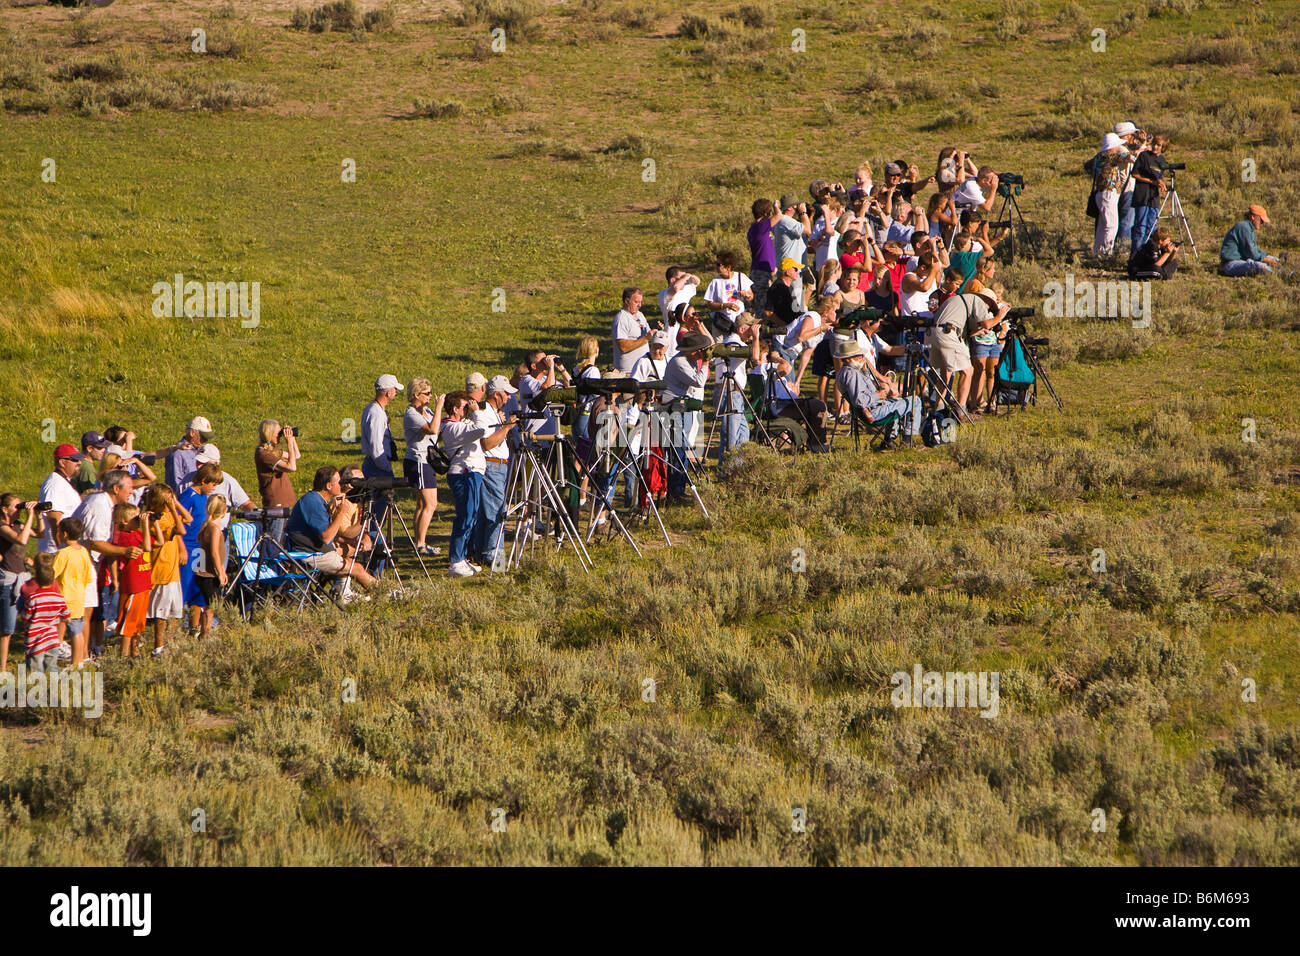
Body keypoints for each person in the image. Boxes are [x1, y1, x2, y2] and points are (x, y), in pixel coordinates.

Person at [441, 391, 515, 577]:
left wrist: (498, 420)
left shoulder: (460, 425)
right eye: (465, 406)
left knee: (472, 516)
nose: (468, 409)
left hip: (471, 472)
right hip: (464, 474)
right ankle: (455, 560)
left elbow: (480, 426)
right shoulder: (452, 428)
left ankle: (462, 558)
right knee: (465, 518)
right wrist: (476, 411)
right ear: (455, 409)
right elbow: (482, 430)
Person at [71, 469, 141, 657]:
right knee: (85, 612)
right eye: (129, 488)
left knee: (89, 610)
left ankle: (85, 653)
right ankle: (82, 656)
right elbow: (95, 542)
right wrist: (124, 551)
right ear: (116, 488)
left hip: (90, 563)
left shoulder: (105, 504)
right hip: (82, 563)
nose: (132, 491)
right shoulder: (100, 505)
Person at [285, 465, 379, 598]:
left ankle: (343, 591)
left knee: (351, 549)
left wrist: (351, 541)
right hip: (309, 554)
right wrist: (341, 513)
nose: (342, 485)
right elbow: (326, 538)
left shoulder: (317, 500)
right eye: (339, 482)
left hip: (314, 548)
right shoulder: (313, 502)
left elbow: (328, 535)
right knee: (357, 568)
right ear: (329, 486)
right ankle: (383, 592)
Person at [835, 340, 923, 449]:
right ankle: (907, 439)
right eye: (858, 356)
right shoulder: (852, 374)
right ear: (848, 359)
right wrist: (878, 394)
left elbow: (862, 389)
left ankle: (889, 440)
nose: (862, 357)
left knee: (898, 401)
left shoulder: (845, 371)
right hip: (875, 412)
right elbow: (859, 401)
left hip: (872, 409)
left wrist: (866, 370)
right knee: (916, 401)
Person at [473, 376, 518, 570]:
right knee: (497, 512)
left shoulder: (491, 412)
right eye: (506, 394)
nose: (509, 398)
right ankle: (495, 558)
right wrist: (508, 427)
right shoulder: (483, 413)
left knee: (486, 512)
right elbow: (487, 443)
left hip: (497, 465)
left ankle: (483, 552)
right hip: (492, 465)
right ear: (496, 394)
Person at [663, 332, 712, 501]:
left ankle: (679, 489)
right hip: (673, 409)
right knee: (679, 449)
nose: (701, 353)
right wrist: (705, 362)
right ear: (691, 350)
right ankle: (675, 491)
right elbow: (699, 381)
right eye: (699, 350)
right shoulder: (679, 362)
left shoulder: (689, 360)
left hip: (682, 407)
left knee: (683, 448)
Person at [361, 374, 402, 576]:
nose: (395, 393)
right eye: (394, 390)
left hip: (372, 465)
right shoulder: (377, 414)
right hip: (377, 468)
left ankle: (375, 563)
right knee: (377, 517)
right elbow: (377, 447)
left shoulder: (371, 410)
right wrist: (386, 469)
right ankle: (375, 567)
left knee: (375, 517)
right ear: (388, 392)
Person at [141, 483, 187, 658]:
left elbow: (187, 519)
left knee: (174, 610)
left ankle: (170, 642)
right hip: (161, 569)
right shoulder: (156, 520)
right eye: (167, 500)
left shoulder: (167, 515)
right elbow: (181, 530)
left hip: (172, 570)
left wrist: (174, 507)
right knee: (161, 612)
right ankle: (158, 647)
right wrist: (173, 509)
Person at [402, 378, 445, 558]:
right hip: (419, 461)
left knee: (422, 504)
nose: (430, 396)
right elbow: (433, 429)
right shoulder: (411, 414)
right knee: (430, 504)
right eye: (426, 393)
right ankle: (420, 544)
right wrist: (438, 408)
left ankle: (419, 541)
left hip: (426, 460)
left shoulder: (424, 410)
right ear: (416, 395)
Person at [711, 313, 762, 464]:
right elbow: (756, 359)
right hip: (730, 392)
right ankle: (727, 469)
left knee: (743, 432)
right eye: (750, 329)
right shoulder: (734, 343)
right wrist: (757, 338)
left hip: (733, 392)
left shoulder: (734, 341)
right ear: (742, 329)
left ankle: (737, 467)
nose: (752, 332)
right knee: (731, 436)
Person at [178, 463, 221, 633]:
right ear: (204, 480)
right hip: (187, 547)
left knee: (199, 589)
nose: (214, 488)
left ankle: (194, 627)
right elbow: (177, 523)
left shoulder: (205, 498)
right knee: (186, 587)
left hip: (199, 549)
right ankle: (177, 627)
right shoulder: (188, 496)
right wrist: (181, 548)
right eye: (213, 484)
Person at [0, 493, 38, 672]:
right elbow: (21, 540)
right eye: (17, 506)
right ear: (5, 510)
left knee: (31, 621)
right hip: (9, 579)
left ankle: (31, 660)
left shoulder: (19, 525)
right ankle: (3, 667)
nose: (20, 510)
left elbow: (41, 533)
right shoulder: (2, 526)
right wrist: (30, 516)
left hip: (24, 578)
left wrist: (39, 514)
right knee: (7, 628)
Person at [110, 502, 152, 660]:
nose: (138, 520)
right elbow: (147, 547)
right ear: (124, 522)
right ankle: (124, 655)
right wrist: (146, 525)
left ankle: (135, 652)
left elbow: (159, 541)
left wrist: (149, 522)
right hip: (133, 586)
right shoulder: (125, 537)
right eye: (135, 518)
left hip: (143, 585)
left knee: (139, 622)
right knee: (129, 622)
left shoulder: (137, 533)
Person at [53, 517, 94, 668]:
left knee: (71, 630)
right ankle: (80, 660)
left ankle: (74, 662)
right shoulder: (83, 551)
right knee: (77, 630)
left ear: (64, 534)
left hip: (65, 597)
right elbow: (88, 576)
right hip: (79, 595)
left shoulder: (63, 553)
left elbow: (52, 574)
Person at [254, 419, 300, 549]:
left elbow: (296, 456)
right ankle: (272, 568)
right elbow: (292, 467)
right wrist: (289, 441)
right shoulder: (263, 454)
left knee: (285, 545)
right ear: (270, 434)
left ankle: (281, 568)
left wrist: (291, 440)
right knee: (275, 544)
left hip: (285, 506)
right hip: (276, 507)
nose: (280, 435)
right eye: (278, 433)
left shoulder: (272, 451)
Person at [20, 554, 68, 676]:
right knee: (52, 665)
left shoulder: (33, 598)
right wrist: (66, 619)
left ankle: (37, 690)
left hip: (35, 638)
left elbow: (25, 617)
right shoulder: (59, 598)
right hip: (52, 637)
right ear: (53, 580)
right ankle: (54, 687)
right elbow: (66, 614)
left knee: (35, 667)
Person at [191, 497, 228, 640]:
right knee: (211, 606)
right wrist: (220, 572)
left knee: (209, 605)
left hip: (203, 572)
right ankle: (205, 634)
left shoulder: (206, 525)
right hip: (210, 574)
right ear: (224, 511)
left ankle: (203, 632)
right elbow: (214, 553)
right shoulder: (215, 529)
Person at [38, 444, 85, 555]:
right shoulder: (55, 485)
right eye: (75, 460)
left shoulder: (62, 482)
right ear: (62, 462)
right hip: (56, 551)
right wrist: (62, 550)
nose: (80, 462)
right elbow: (54, 520)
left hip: (66, 549)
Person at [1128, 133, 1168, 251]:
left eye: (1159, 145)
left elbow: (1159, 177)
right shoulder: (1144, 156)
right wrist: (1151, 181)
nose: (1156, 147)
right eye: (1155, 144)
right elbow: (1134, 174)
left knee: (1152, 228)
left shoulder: (1162, 160)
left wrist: (1161, 184)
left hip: (1153, 198)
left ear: (1163, 147)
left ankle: (1149, 254)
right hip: (1142, 195)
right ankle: (1136, 255)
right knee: (1140, 227)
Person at [1091, 133, 1128, 257]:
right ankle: (1106, 253)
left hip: (1100, 193)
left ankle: (1097, 252)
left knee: (1103, 225)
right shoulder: (1112, 157)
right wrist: (1141, 146)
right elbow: (1129, 157)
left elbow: (1087, 166)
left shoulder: (1098, 157)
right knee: (1111, 226)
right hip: (1109, 193)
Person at [704, 250, 753, 338]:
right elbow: (710, 304)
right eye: (716, 263)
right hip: (722, 323)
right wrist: (725, 306)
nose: (716, 266)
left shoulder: (741, 277)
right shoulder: (715, 282)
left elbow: (751, 296)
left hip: (739, 322)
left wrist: (746, 294)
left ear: (728, 267)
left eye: (719, 264)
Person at [1220, 205, 1279, 276]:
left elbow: (1254, 250)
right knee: (1258, 266)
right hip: (1231, 264)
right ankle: (1281, 274)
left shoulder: (1249, 229)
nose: (1262, 223)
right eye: (1261, 220)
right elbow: (1251, 253)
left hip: (1241, 260)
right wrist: (1268, 260)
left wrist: (1267, 258)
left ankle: (1286, 268)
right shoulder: (1244, 227)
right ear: (1253, 217)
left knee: (1273, 258)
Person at [163, 416, 214, 494]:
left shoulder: (200, 450)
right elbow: (175, 484)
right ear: (192, 433)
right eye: (203, 437)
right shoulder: (177, 453)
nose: (205, 440)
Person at [747, 198, 780, 316]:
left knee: (765, 302)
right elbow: (778, 216)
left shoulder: (758, 228)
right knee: (761, 305)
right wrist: (776, 207)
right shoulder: (759, 227)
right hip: (761, 272)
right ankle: (759, 329)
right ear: (765, 214)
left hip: (764, 271)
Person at [613, 287, 652, 374]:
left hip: (643, 369)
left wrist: (657, 332)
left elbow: (649, 335)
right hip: (628, 372)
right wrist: (645, 339)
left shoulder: (640, 315)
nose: (640, 305)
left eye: (640, 302)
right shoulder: (621, 319)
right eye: (636, 302)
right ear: (627, 301)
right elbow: (623, 347)